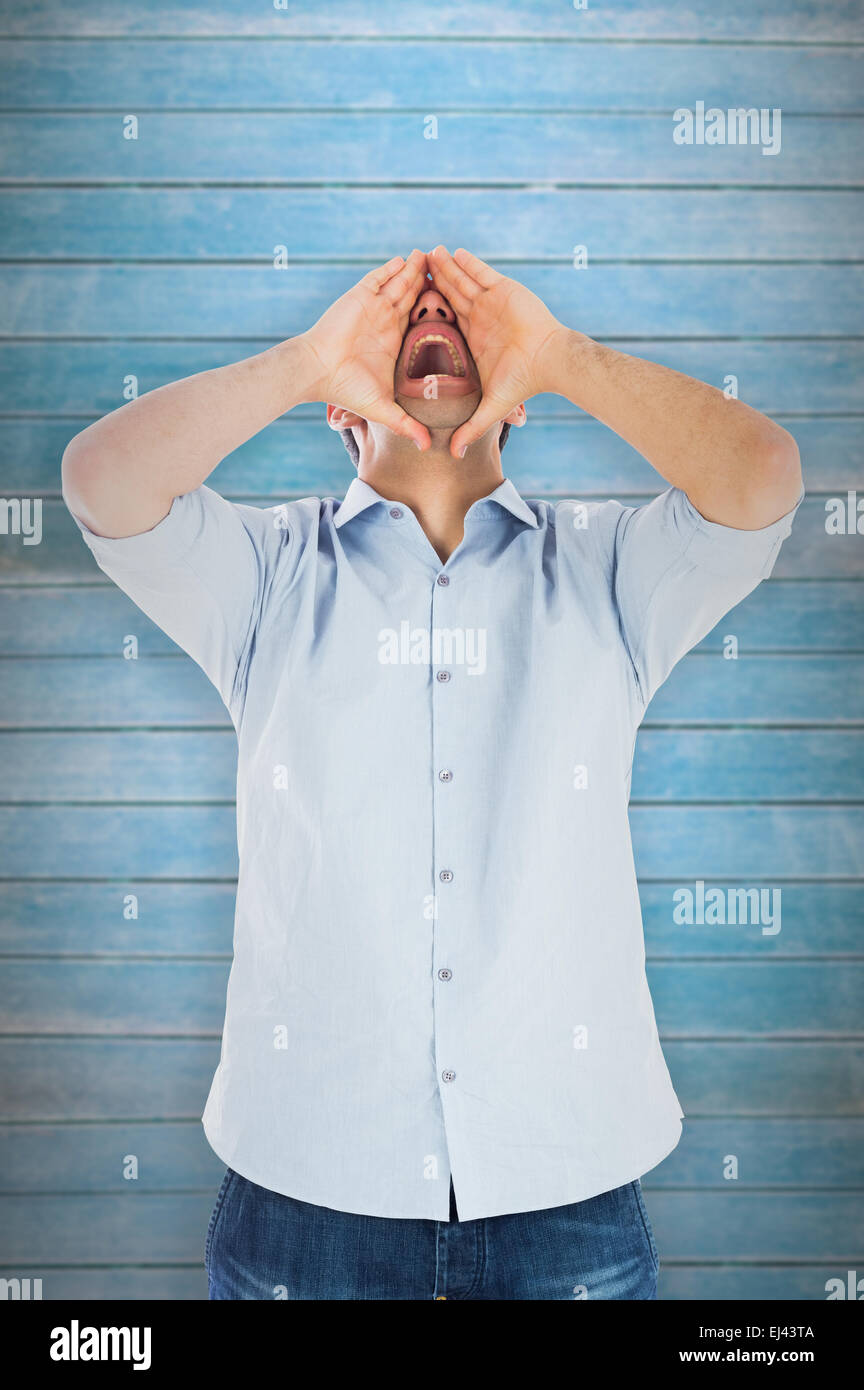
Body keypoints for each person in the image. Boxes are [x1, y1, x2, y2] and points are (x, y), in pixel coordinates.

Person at [61, 247, 803, 1300]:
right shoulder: (265, 574)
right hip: (304, 1199)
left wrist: (556, 353)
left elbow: (765, 479)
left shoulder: (608, 571)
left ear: (520, 404)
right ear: (338, 410)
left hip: (567, 1191)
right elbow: (99, 480)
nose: (431, 323)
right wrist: (310, 357)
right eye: (400, 324)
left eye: (461, 321)